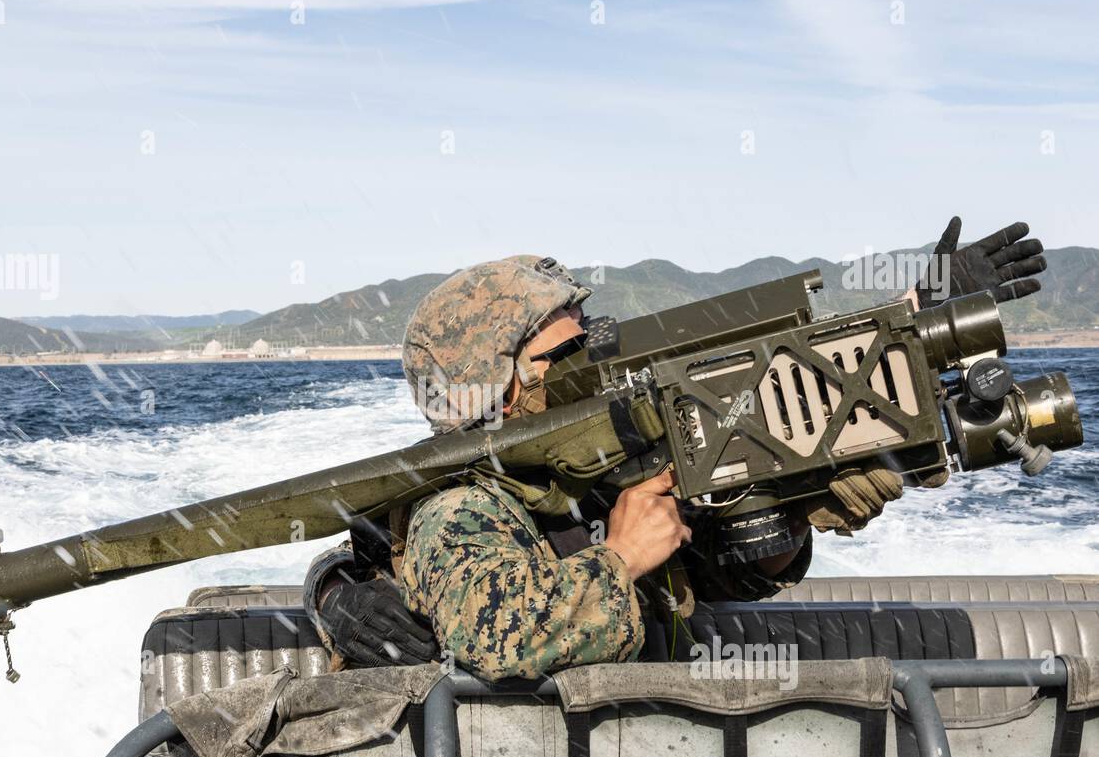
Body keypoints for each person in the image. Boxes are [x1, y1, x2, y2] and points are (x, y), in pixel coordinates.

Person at [306, 223, 1046, 680]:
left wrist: (787, 519)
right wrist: (620, 559)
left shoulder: (588, 478)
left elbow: (716, 581)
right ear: (497, 386)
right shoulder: (461, 506)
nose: (595, 354)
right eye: (566, 350)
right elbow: (502, 643)